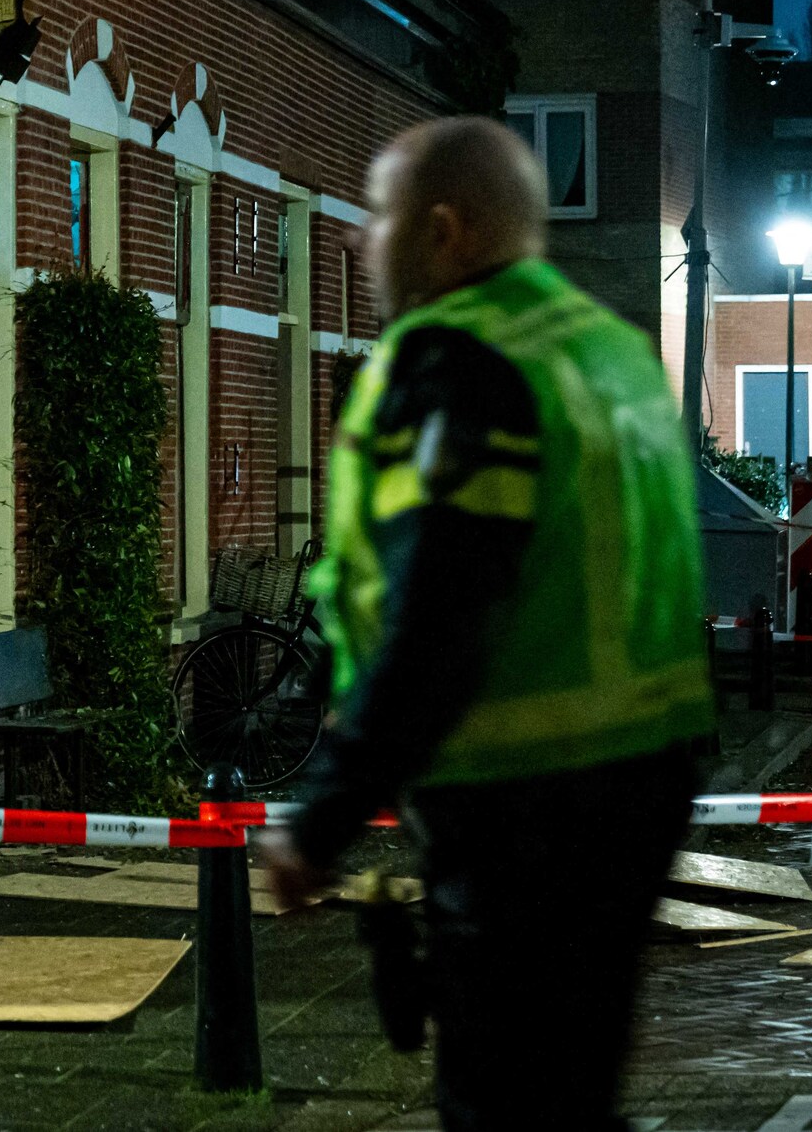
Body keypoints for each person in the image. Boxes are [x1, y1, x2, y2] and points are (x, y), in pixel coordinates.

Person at [265, 116, 716, 1131]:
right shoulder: (609, 353)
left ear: (442, 230)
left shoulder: (461, 363)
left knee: (502, 1104)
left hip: (524, 808)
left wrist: (325, 814)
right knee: (571, 1089)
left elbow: (440, 604)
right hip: (642, 778)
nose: (355, 239)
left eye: (375, 217)